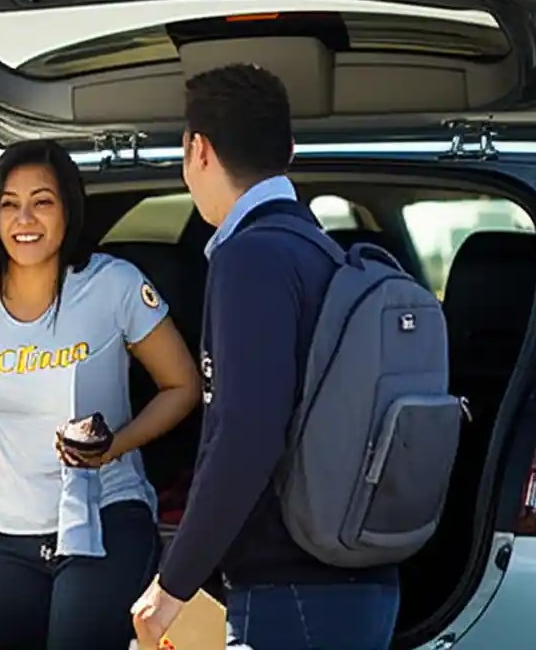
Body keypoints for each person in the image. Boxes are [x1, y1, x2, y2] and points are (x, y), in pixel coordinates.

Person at [131, 63, 401, 649]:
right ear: (289, 151)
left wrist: (171, 584)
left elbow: (246, 433)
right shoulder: (319, 251)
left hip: (291, 588)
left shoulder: (250, 258)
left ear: (197, 149)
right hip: (353, 581)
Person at [0, 139, 200, 649]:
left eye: (42, 201)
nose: (25, 218)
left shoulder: (114, 285)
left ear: (68, 209)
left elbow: (182, 387)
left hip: (104, 519)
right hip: (0, 535)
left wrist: (115, 445)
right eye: (9, 203)